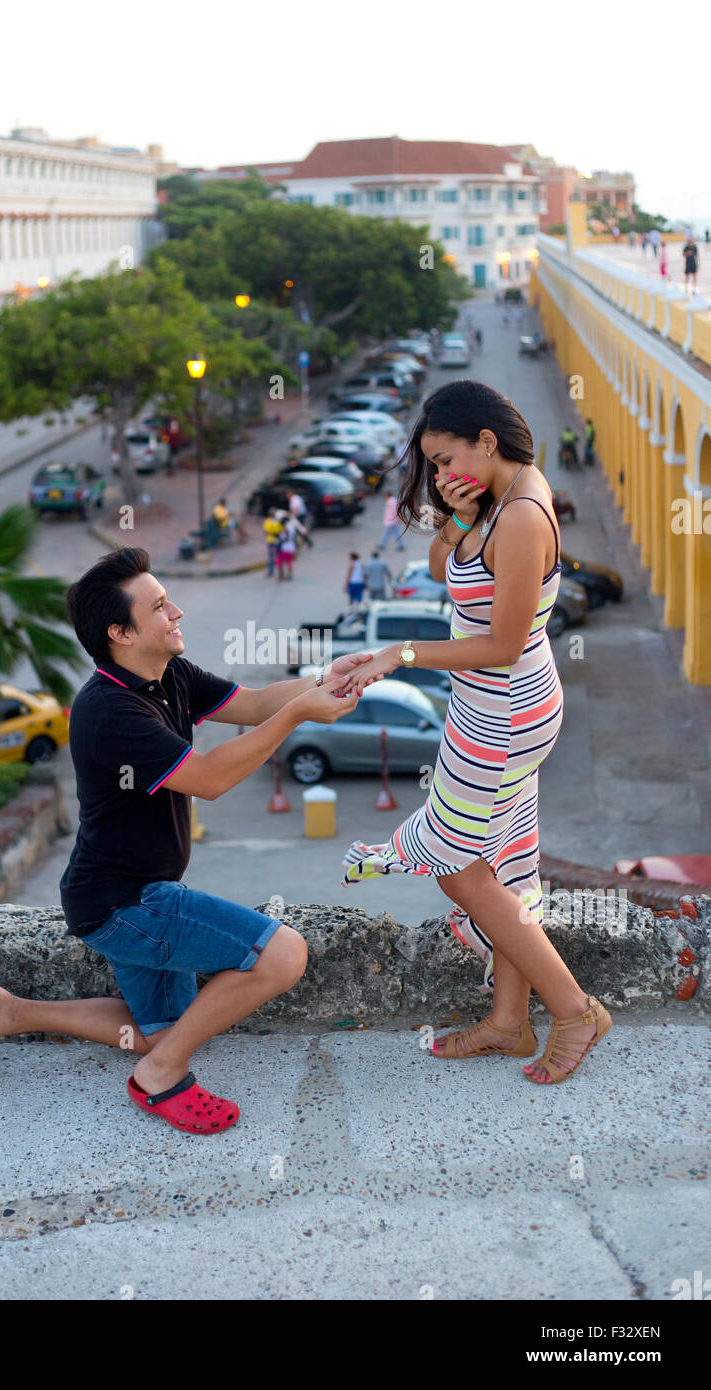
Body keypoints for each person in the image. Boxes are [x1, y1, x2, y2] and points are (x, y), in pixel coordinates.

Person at [0, 547, 375, 1132]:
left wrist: (325, 679)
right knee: (283, 954)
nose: (178, 612)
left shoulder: (166, 673)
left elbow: (250, 704)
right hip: (129, 903)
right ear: (120, 632)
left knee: (160, 1033)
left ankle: (3, 1011)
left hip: (122, 895)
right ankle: (160, 1078)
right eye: (160, 607)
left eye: (168, 600)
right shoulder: (109, 711)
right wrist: (299, 715)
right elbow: (213, 779)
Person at [341, 380, 612, 1085]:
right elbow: (444, 571)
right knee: (506, 865)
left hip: (506, 714)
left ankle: (573, 1010)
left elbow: (500, 644)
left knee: (460, 867)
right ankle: (508, 1022)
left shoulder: (523, 515)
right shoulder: (494, 498)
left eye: (442, 459)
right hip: (485, 711)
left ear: (485, 442)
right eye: (430, 465)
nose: (436, 476)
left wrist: (393, 655)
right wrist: (456, 518)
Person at [263, 507, 283, 577]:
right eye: (272, 512)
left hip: (278, 540)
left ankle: (280, 571)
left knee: (279, 556)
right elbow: (265, 531)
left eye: (274, 512)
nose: (273, 513)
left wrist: (274, 533)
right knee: (271, 557)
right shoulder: (267, 521)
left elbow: (281, 529)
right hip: (271, 541)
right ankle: (270, 571)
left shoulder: (278, 521)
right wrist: (273, 533)